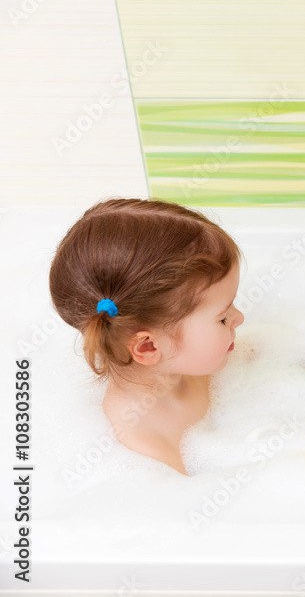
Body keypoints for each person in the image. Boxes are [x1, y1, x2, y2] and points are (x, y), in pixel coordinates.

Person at [50, 199, 245, 474]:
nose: (240, 318)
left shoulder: (192, 361)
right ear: (149, 346)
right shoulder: (149, 449)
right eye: (223, 317)